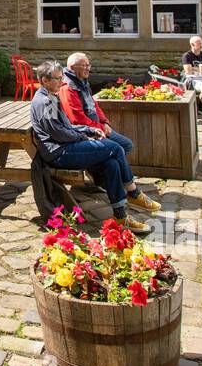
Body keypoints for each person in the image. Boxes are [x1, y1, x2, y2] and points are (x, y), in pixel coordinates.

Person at [29, 60, 151, 235]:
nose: (61, 82)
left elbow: (66, 127)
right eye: (57, 79)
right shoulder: (45, 102)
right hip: (59, 153)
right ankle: (133, 192)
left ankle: (120, 215)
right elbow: (59, 134)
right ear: (44, 80)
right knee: (115, 148)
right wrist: (84, 135)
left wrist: (89, 129)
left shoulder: (50, 96)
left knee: (111, 163)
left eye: (61, 77)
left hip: (66, 146)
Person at [59, 53, 159, 214]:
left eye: (88, 65)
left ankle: (101, 176)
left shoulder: (82, 81)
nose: (88, 69)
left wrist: (105, 122)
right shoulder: (68, 87)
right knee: (116, 151)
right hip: (86, 133)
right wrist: (97, 128)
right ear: (72, 68)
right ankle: (125, 189)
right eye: (84, 66)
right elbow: (76, 119)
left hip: (97, 127)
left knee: (126, 144)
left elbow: (94, 105)